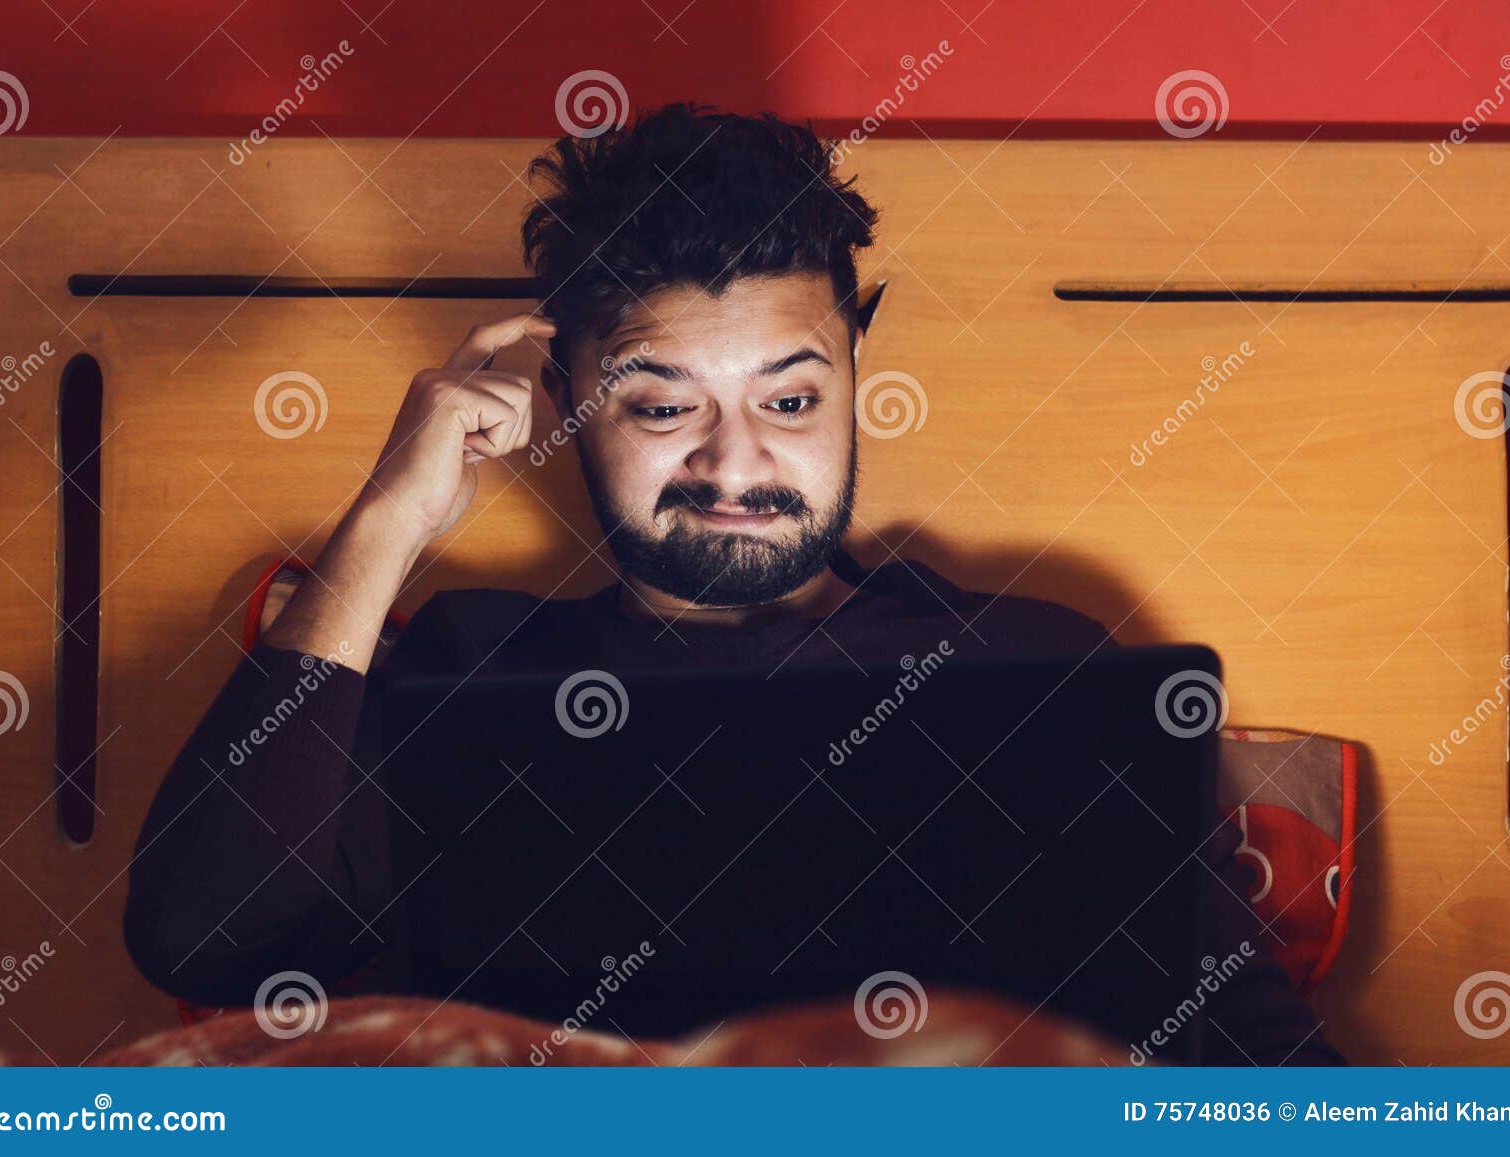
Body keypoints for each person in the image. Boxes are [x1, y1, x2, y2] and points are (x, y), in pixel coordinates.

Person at [123, 102, 1342, 1066]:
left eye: (790, 397)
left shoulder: (1029, 668)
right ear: (567, 400)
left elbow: (1257, 1053)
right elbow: (206, 939)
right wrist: (389, 517)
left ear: (857, 373)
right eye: (660, 405)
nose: (734, 461)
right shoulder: (463, 667)